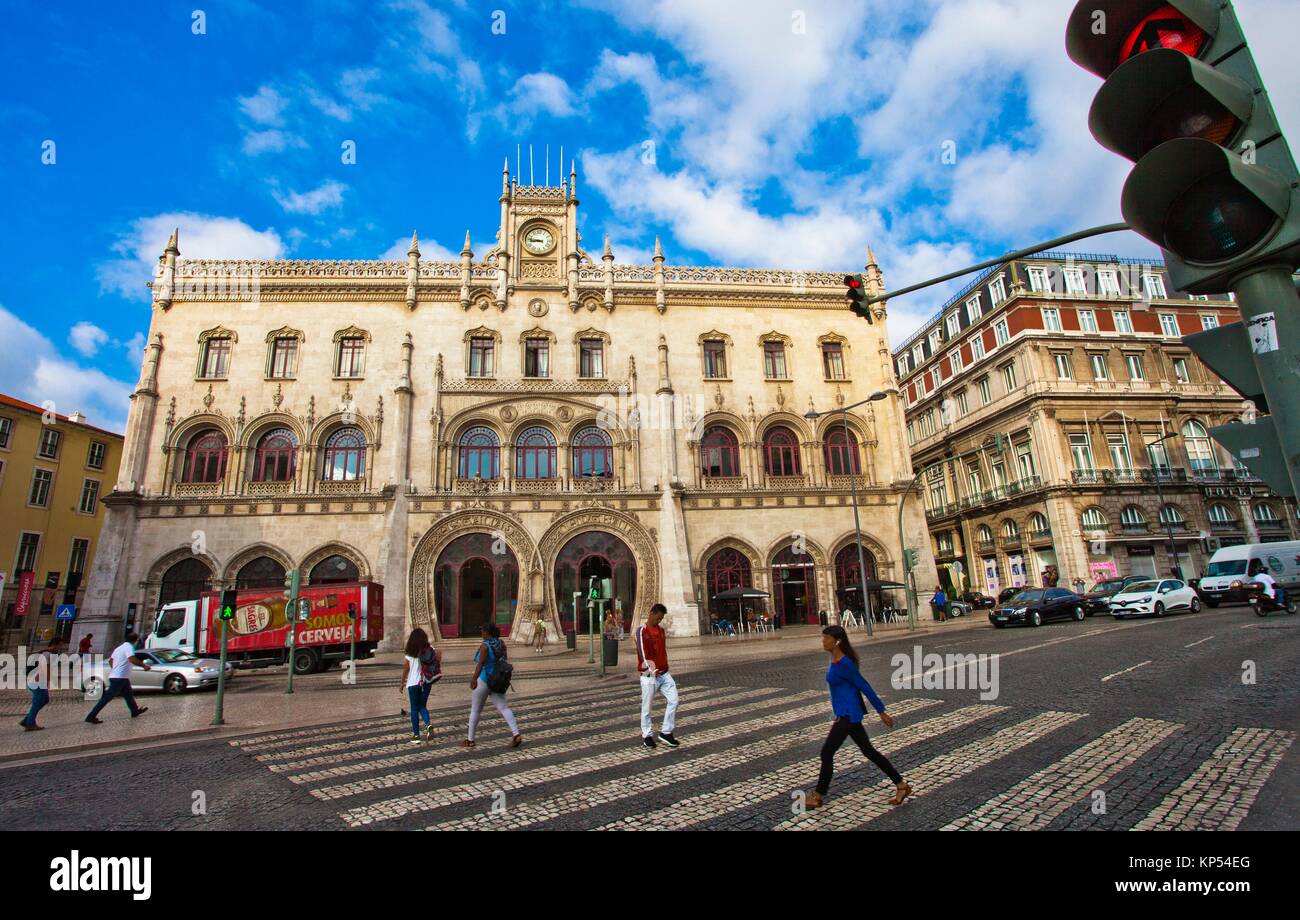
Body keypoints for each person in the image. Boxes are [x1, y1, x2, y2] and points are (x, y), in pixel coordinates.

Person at [806, 625, 911, 810]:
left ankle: (818, 796)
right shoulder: (834, 660)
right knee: (869, 751)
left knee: (827, 752)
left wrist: (881, 711)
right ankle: (901, 785)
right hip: (846, 714)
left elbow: (864, 685)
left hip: (848, 715)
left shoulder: (845, 663)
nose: (823, 641)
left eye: (826, 638)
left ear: (837, 641)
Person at [464, 623, 521, 749]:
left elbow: (480, 664)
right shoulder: (501, 644)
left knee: (475, 710)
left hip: (484, 679)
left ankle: (470, 740)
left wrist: (474, 679)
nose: (481, 633)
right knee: (504, 707)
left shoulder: (485, 645)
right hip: (497, 680)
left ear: (487, 632)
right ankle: (516, 734)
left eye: (482, 631)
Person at [636, 603, 679, 749]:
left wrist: (665, 665)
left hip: (664, 673)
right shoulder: (642, 631)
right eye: (658, 618)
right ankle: (647, 735)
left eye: (661, 619)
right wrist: (651, 669)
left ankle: (666, 732)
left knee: (674, 700)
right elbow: (642, 652)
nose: (659, 621)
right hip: (649, 675)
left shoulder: (661, 631)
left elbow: (662, 650)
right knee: (647, 707)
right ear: (651, 614)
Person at [85, 631, 150, 724]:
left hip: (120, 677)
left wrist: (115, 669)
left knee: (128, 695)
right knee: (106, 698)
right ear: (135, 640)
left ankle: (134, 711)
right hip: (119, 678)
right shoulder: (129, 647)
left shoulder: (119, 648)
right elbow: (131, 659)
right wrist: (144, 666)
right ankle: (91, 716)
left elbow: (110, 660)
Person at [20, 636, 66, 731]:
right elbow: (44, 669)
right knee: (39, 701)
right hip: (37, 681)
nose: (60, 648)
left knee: (43, 700)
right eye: (60, 645)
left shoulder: (47, 653)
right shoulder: (46, 654)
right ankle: (30, 724)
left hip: (36, 681)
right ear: (55, 644)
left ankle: (27, 720)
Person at [402, 628, 437, 744]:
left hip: (413, 683)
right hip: (426, 682)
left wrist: (402, 682)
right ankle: (428, 725)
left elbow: (406, 668)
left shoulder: (410, 652)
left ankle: (416, 736)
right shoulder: (429, 649)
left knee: (414, 709)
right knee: (422, 706)